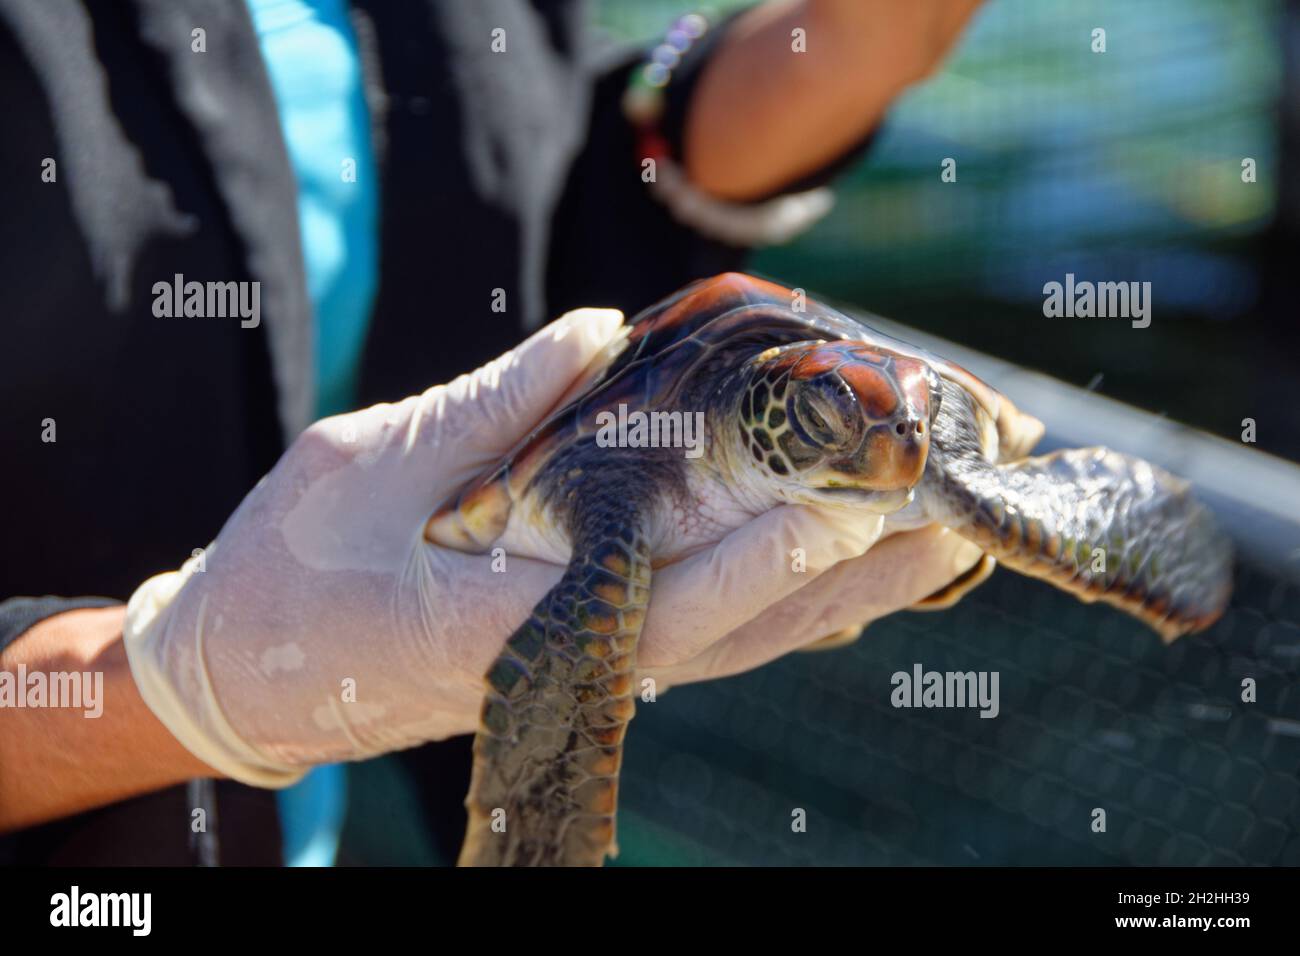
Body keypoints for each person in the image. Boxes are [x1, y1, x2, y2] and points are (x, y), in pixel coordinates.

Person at [0, 0, 984, 864]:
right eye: (813, 423)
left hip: (350, 806)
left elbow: (562, 165)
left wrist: (861, 38)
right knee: (582, 630)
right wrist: (177, 683)